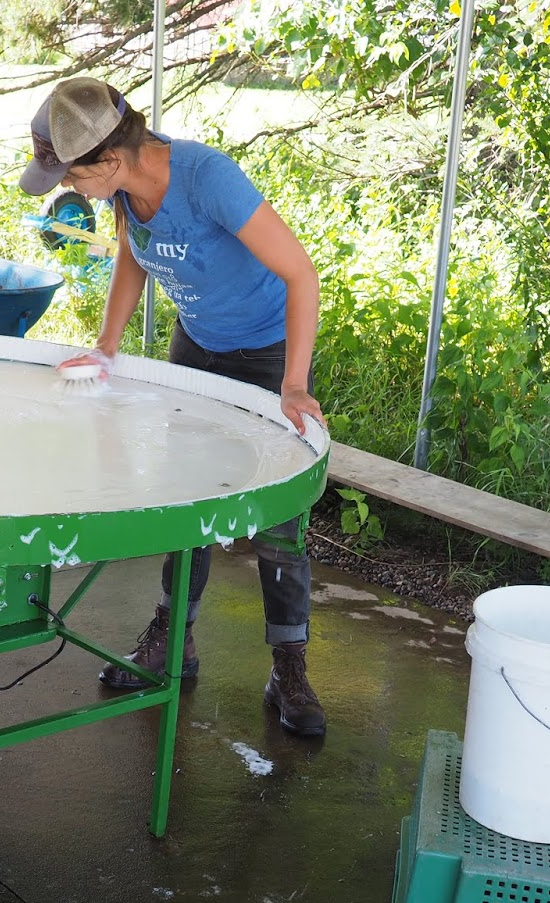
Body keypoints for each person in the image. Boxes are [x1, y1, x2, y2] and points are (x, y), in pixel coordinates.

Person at [19, 77, 328, 737]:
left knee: (279, 523)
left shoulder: (207, 179)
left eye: (72, 178)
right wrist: (106, 345)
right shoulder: (125, 191)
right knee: (186, 498)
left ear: (108, 159)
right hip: (198, 350)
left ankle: (289, 665)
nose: (71, 191)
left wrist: (294, 385)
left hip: (267, 358)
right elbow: (134, 259)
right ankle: (172, 640)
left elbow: (302, 274)